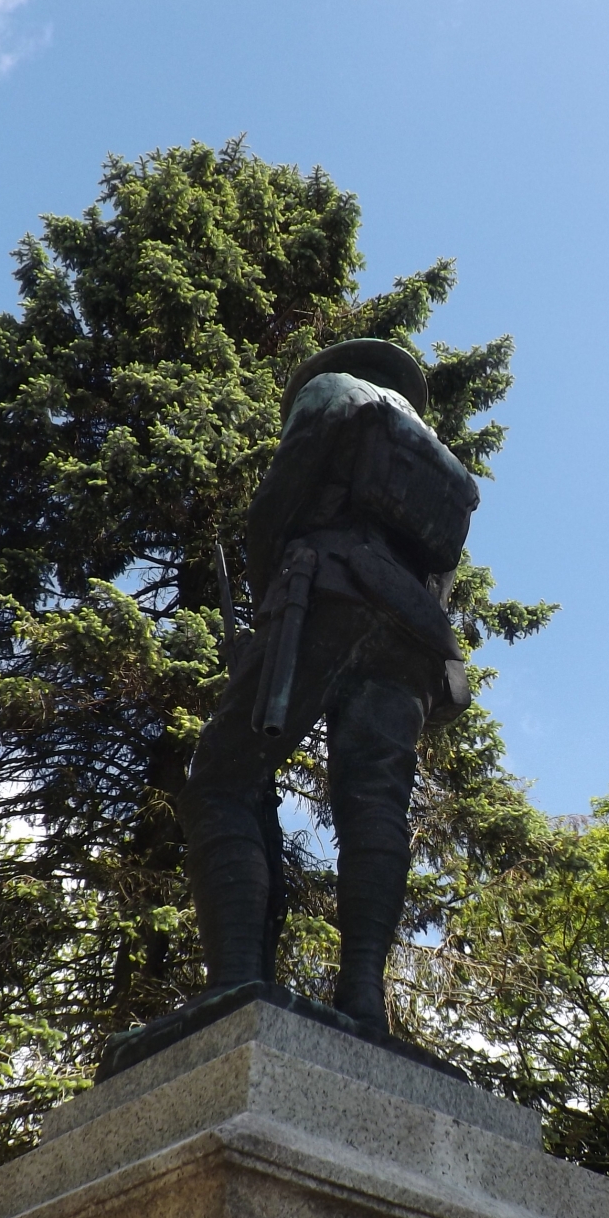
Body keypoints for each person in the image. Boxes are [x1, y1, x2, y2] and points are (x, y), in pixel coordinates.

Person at [177, 337, 477, 1033]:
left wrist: (266, 592)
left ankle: (239, 982)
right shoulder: (440, 467)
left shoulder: (334, 391)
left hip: (323, 593)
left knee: (221, 782)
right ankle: (365, 998)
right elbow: (443, 579)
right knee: (376, 807)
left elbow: (280, 502)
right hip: (415, 640)